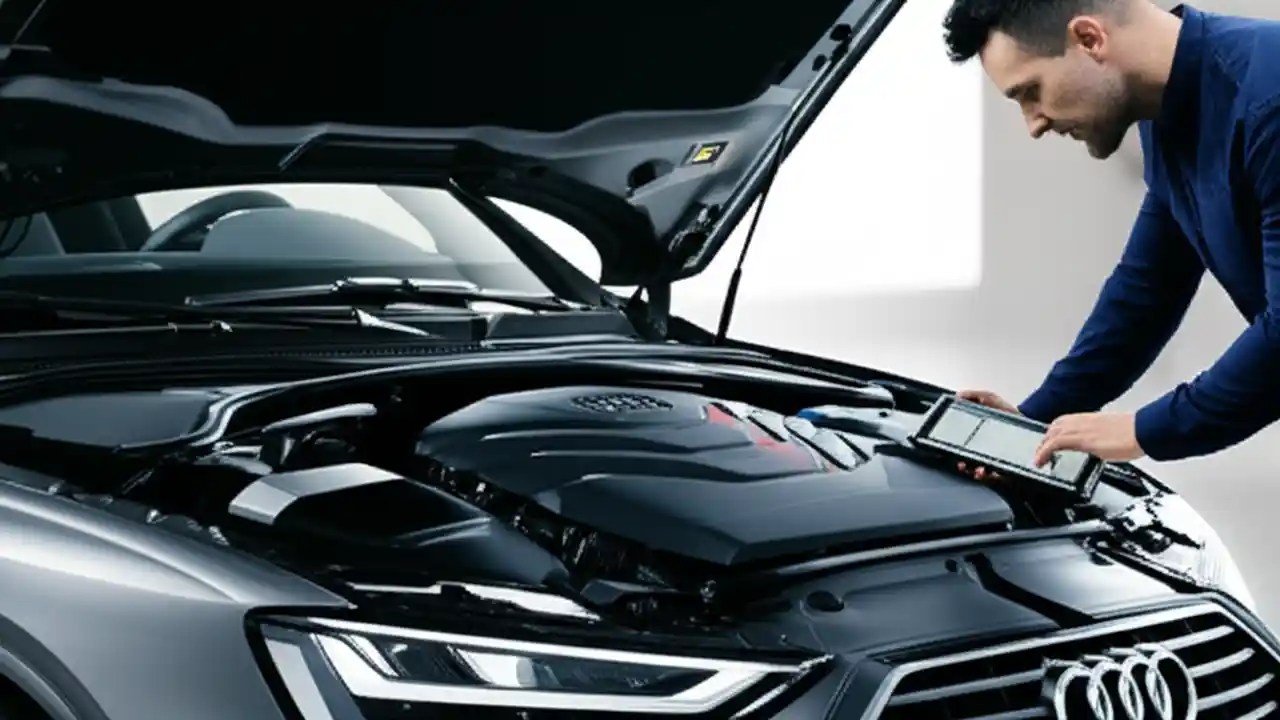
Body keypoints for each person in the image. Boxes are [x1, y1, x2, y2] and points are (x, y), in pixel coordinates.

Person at [938, 0, 1280, 475]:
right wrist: (1035, 421)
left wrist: (1143, 429)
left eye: (1030, 91)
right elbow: (1145, 291)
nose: (1033, 124)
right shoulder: (1172, 109)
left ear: (1089, 40)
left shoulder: (1270, 99)